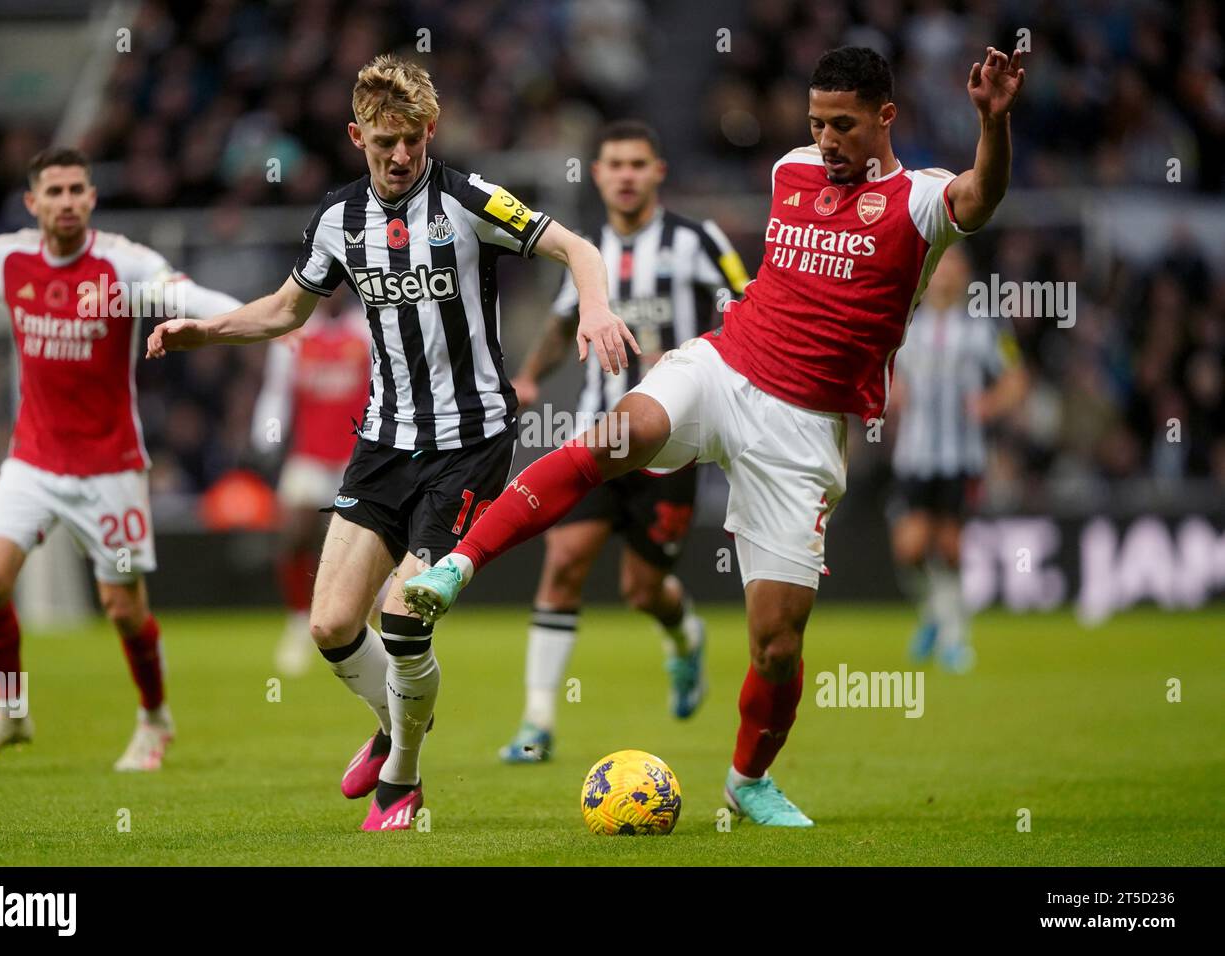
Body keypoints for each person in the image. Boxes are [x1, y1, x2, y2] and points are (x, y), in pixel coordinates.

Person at [405, 46, 1026, 827]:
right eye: (815, 123)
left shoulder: (919, 199)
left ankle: (746, 780)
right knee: (611, 436)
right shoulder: (790, 171)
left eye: (843, 125)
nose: (826, 140)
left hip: (804, 431)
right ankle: (458, 567)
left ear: (885, 118)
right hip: (723, 367)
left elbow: (983, 195)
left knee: (777, 642)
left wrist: (990, 125)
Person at [146, 54, 635, 831]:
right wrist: (208, 331)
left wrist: (598, 310)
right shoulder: (338, 221)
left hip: (473, 442)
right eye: (383, 143)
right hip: (383, 444)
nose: (400, 155)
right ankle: (400, 719)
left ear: (430, 131)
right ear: (356, 137)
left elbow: (577, 246)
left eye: (411, 139)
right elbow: (284, 311)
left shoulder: (469, 199)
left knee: (404, 617)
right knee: (332, 625)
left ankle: (402, 779)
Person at [0, 147, 243, 772]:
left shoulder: (122, 265)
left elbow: (187, 293)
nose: (68, 200)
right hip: (33, 463)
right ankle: (12, 711)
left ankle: (154, 717)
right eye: (56, 190)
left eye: (78, 189)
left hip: (111, 469)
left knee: (123, 610)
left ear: (92, 198)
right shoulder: (6, 260)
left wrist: (258, 317)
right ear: (33, 202)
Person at [498, 120, 749, 763]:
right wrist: (527, 377)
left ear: (658, 171)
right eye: (614, 164)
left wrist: (700, 357)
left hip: (672, 447)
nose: (627, 174)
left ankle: (685, 635)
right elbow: (561, 324)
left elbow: (749, 308)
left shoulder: (697, 241)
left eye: (639, 163)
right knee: (564, 563)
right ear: (600, 174)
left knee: (644, 589)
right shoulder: (585, 252)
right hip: (598, 438)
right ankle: (536, 723)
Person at [887, 245, 1027, 672]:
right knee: (909, 548)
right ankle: (934, 611)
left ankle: (954, 638)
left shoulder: (986, 329)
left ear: (964, 276)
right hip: (914, 454)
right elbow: (881, 372)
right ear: (928, 274)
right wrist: (890, 394)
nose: (946, 277)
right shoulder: (905, 325)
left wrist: (992, 403)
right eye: (940, 268)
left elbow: (1016, 379)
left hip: (962, 457)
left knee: (949, 546)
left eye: (954, 268)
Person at [249, 293, 372, 676]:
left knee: (361, 544)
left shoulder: (366, 331)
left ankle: (364, 623)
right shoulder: (294, 334)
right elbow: (276, 390)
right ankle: (297, 622)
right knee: (293, 533)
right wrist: (265, 436)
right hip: (309, 454)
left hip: (357, 456)